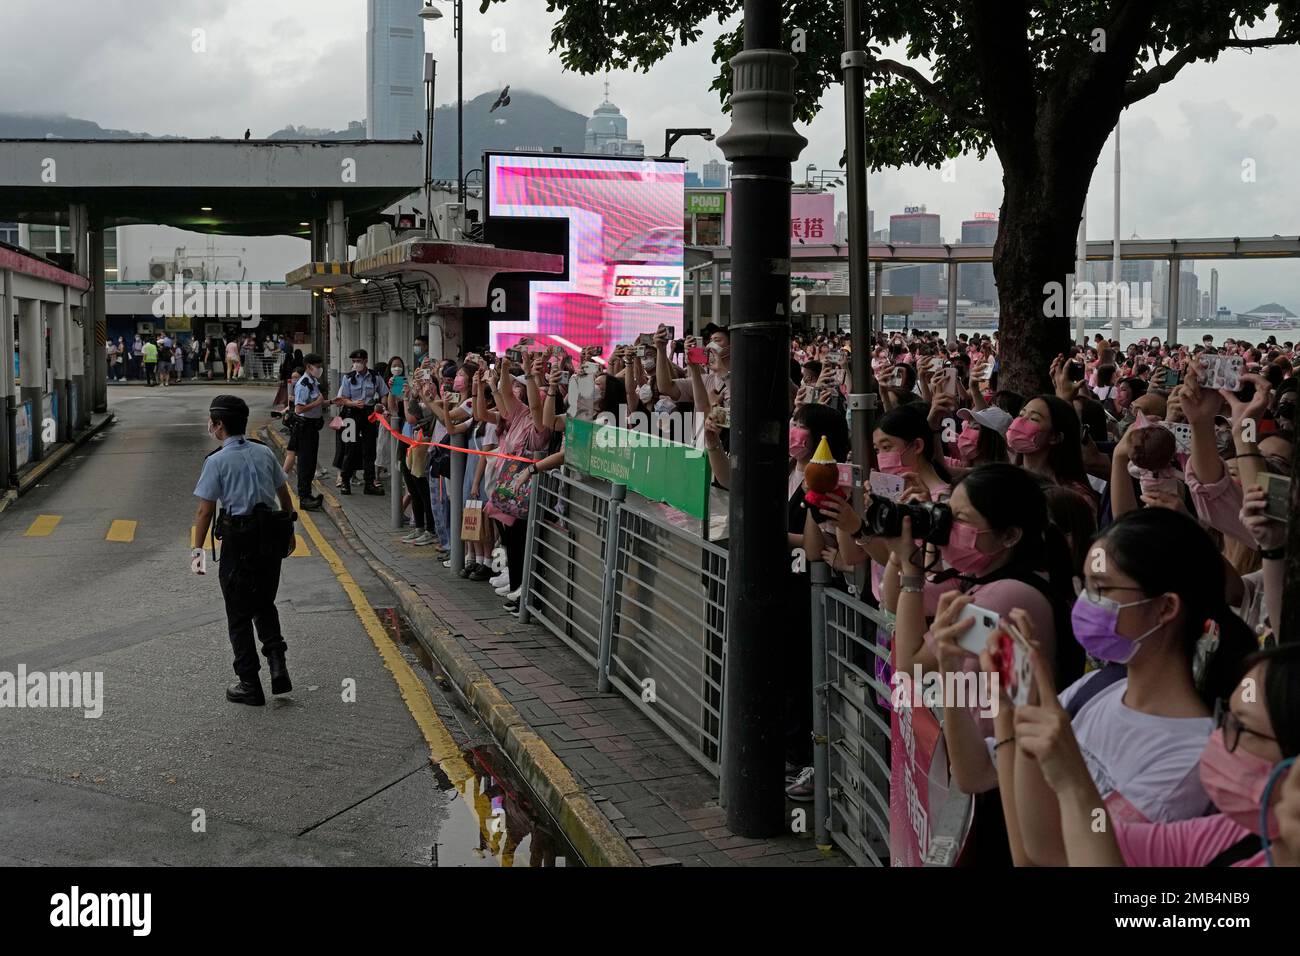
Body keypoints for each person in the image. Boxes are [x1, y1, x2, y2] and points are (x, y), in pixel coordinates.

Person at [191, 395, 298, 705]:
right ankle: (278, 666)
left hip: (239, 540)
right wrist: (289, 531)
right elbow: (284, 494)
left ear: (219, 425)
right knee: (264, 603)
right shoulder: (264, 453)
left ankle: (249, 684)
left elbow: (204, 512)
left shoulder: (216, 461)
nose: (210, 426)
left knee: (238, 614)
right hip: (271, 536)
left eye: (212, 421)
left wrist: (197, 554)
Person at [336, 348, 388, 496]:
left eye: (358, 361)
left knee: (369, 451)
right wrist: (353, 404)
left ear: (366, 361)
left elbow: (384, 393)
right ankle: (345, 482)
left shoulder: (375, 377)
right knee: (349, 449)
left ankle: (369, 483)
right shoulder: (348, 377)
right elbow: (342, 399)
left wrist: (382, 406)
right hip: (351, 415)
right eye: (354, 362)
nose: (356, 364)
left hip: (369, 415)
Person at [293, 354, 329, 511]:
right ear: (309, 366)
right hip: (305, 426)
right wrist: (317, 403)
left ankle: (308, 494)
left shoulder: (313, 382)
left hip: (313, 426)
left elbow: (317, 404)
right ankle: (304, 497)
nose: (320, 369)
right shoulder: (303, 384)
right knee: (305, 462)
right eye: (317, 366)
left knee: (311, 462)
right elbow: (299, 408)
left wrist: (333, 401)